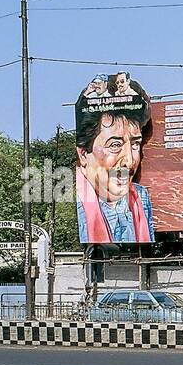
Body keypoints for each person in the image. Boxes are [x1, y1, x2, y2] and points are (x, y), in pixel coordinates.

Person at [75, 77, 155, 243]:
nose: (129, 161)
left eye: (135, 145)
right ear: (83, 154)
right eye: (115, 145)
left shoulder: (141, 196)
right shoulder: (77, 201)